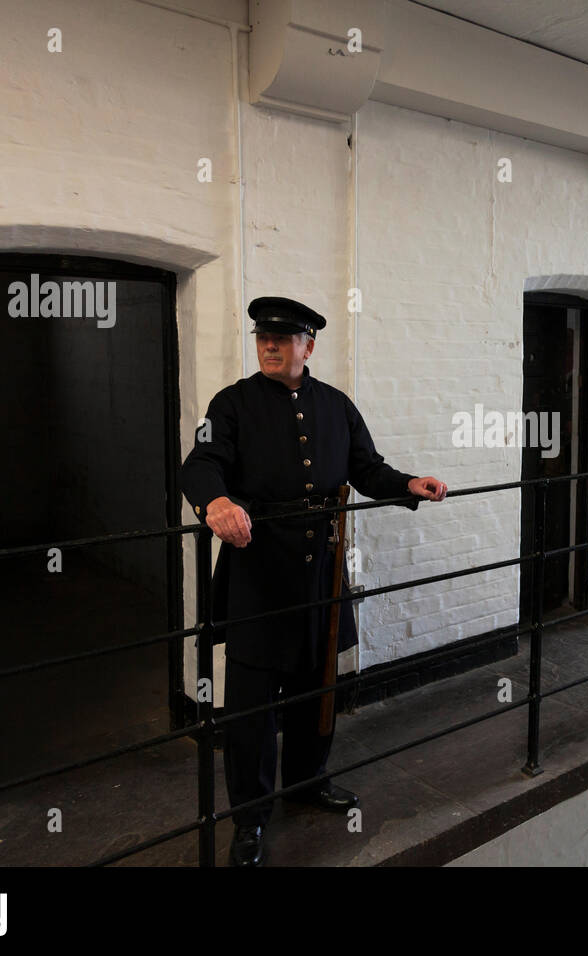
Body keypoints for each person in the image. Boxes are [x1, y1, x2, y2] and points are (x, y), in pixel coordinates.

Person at [179, 296, 447, 866]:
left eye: (283, 338)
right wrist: (216, 500)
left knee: (315, 684)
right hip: (258, 571)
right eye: (262, 338)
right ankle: (249, 819)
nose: (270, 346)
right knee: (251, 706)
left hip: (319, 573)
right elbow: (200, 463)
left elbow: (366, 468)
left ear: (309, 346)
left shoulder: (335, 405)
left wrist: (408, 485)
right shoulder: (230, 404)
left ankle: (307, 780)